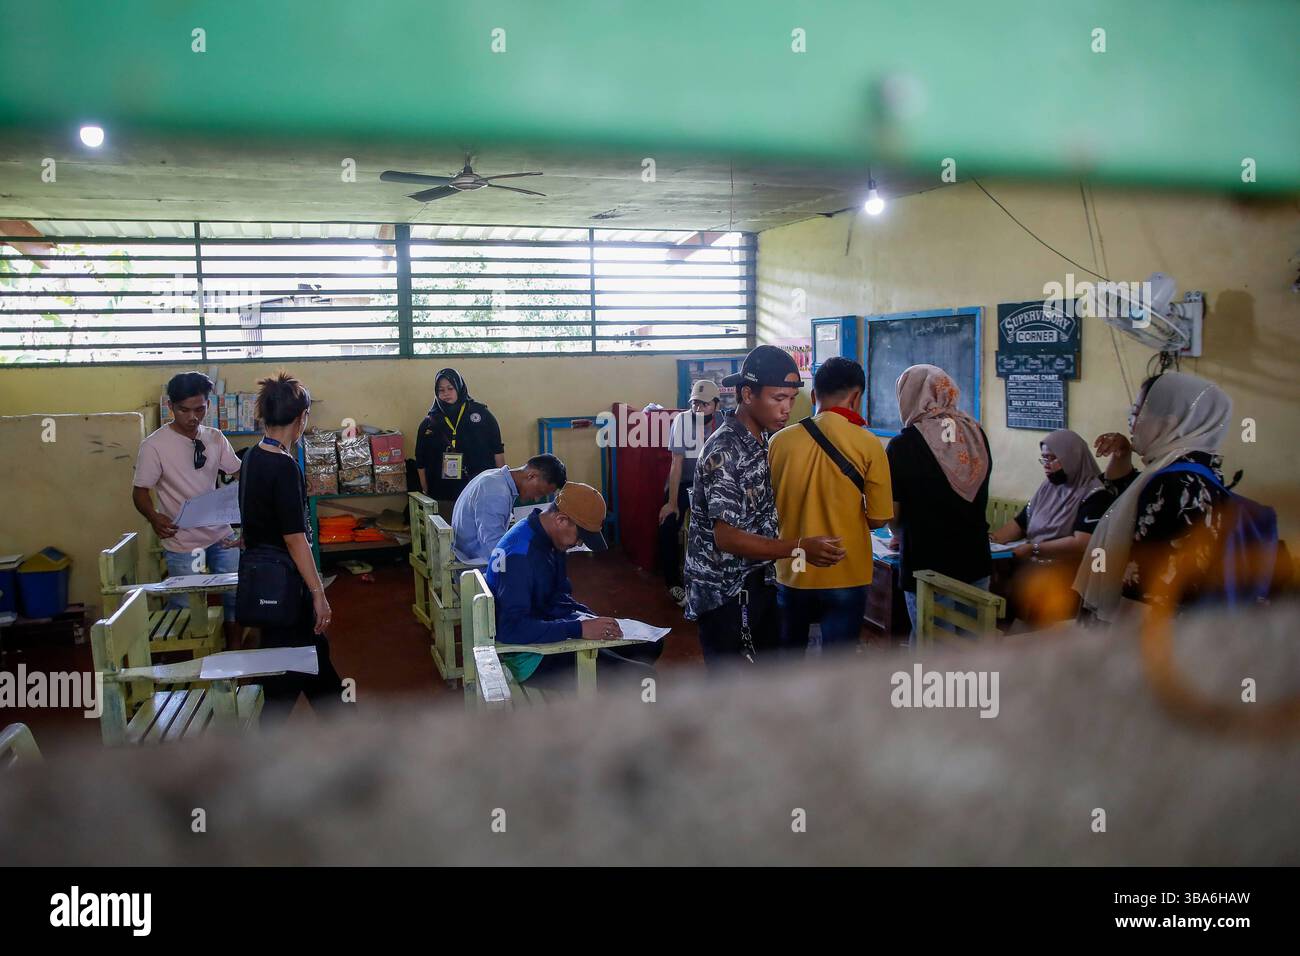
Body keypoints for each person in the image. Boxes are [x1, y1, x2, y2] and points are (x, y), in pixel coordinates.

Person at [683, 345, 844, 669]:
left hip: (756, 583)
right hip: (725, 594)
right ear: (747, 394)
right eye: (777, 398)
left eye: (791, 399)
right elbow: (726, 537)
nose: (786, 409)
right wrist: (798, 548)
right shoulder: (726, 450)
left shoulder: (760, 441)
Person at [1074, 371, 1237, 622]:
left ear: (1169, 422)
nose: (1132, 419)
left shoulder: (1172, 483)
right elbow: (1119, 504)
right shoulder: (1201, 468)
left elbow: (1149, 582)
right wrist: (1122, 455)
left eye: (1139, 411)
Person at [238, 371, 345, 723]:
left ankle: (347, 728)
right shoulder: (285, 466)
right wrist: (318, 592)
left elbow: (257, 520)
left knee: (306, 663)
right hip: (287, 585)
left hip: (262, 582)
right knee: (298, 668)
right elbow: (295, 537)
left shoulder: (252, 457)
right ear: (301, 418)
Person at [769, 357, 892, 654]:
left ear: (813, 396)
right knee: (838, 666)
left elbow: (766, 508)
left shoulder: (778, 441)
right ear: (857, 396)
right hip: (846, 570)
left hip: (793, 565)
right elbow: (878, 519)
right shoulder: (869, 443)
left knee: (789, 659)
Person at [487, 482, 660, 689]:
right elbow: (511, 629)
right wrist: (579, 628)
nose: (580, 543)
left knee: (652, 645)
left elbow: (558, 594)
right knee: (643, 677)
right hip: (532, 656)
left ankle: (609, 698)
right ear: (561, 520)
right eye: (581, 537)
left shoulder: (546, 536)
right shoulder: (520, 556)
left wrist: (588, 617)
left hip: (550, 630)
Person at [132, 371, 242, 650]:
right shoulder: (154, 446)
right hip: (182, 538)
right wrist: (154, 517)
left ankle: (235, 650)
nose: (192, 417)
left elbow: (241, 473)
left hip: (220, 533)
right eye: (184, 410)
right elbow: (140, 491)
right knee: (185, 600)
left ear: (208, 404)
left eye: (199, 409)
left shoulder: (215, 438)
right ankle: (185, 658)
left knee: (234, 592)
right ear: (171, 406)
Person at [886, 364, 992, 640]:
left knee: (933, 653)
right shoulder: (976, 434)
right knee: (974, 650)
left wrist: (897, 535)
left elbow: (892, 512)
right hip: (975, 559)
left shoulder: (903, 445)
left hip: (927, 565)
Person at [657, 379, 721, 606]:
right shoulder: (682, 421)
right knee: (668, 524)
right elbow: (676, 464)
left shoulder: (723, 423)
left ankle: (717, 578)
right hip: (684, 483)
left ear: (716, 405)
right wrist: (672, 502)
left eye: (704, 405)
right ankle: (674, 583)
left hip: (712, 484)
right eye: (694, 404)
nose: (698, 409)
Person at [414, 368, 505, 518]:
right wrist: (426, 491)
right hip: (443, 494)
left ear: (459, 388)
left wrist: (502, 485)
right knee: (447, 536)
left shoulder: (481, 415)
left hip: (479, 491)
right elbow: (420, 461)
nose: (446, 393)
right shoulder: (429, 423)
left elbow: (497, 450)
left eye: (450, 388)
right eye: (441, 390)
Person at [451, 454, 567, 564]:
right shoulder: (496, 492)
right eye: (539, 492)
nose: (537, 499)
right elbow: (494, 547)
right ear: (532, 476)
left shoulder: (495, 477)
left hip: (472, 554)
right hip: (475, 564)